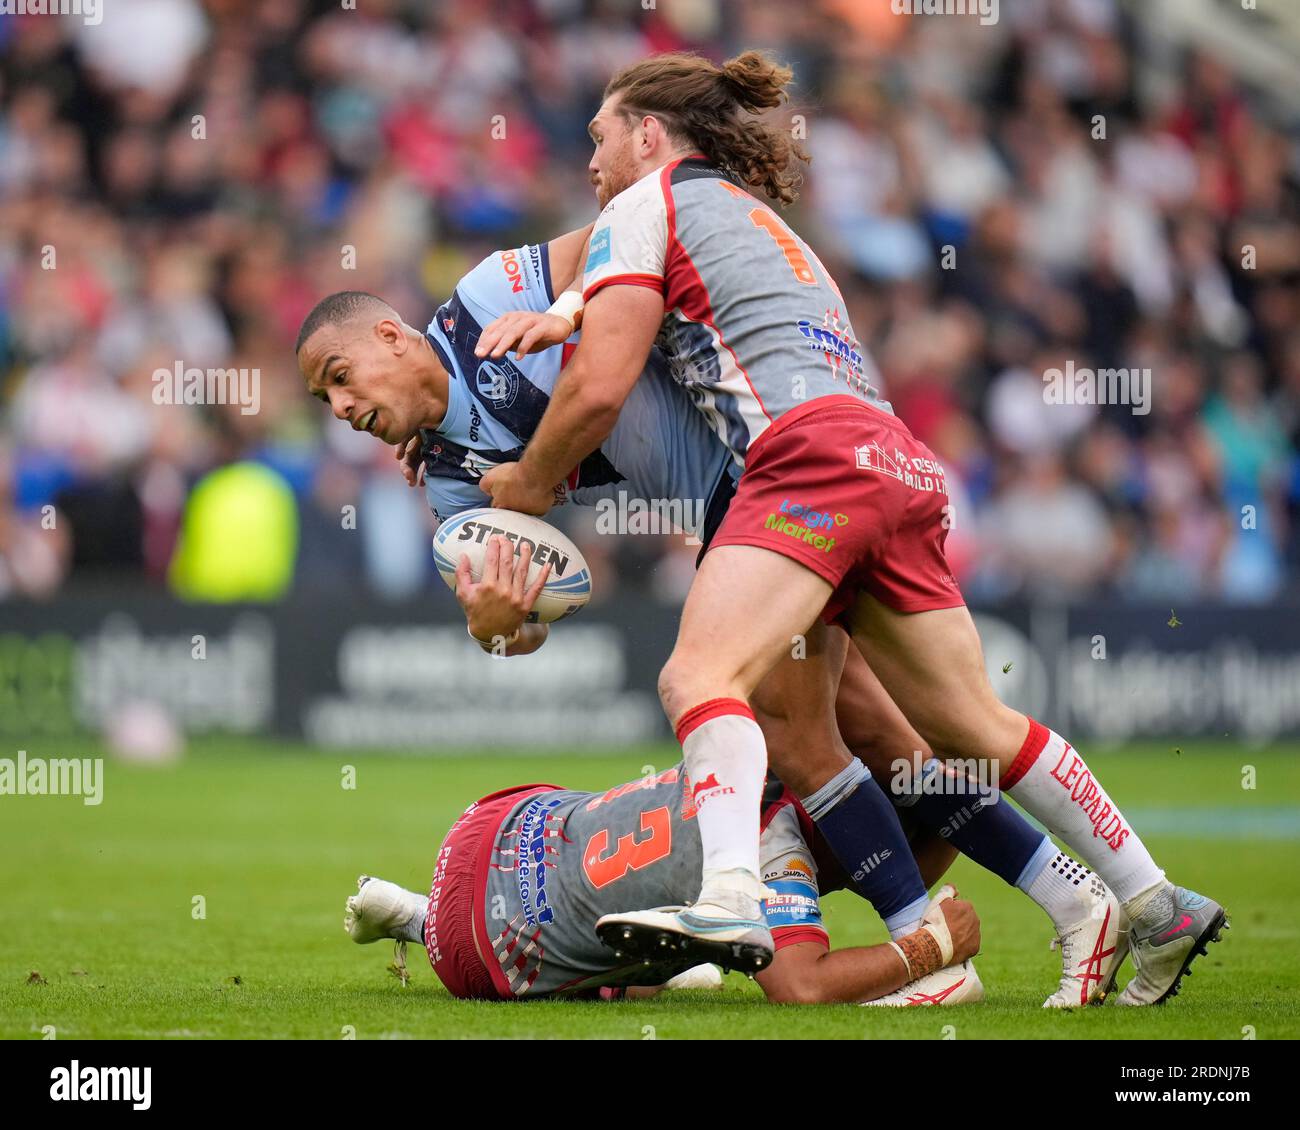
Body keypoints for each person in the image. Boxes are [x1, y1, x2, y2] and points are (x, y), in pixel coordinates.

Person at [472, 50, 1225, 1004]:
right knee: (962, 726)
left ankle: (733, 892)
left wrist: (531, 484)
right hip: (895, 460)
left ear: (650, 137)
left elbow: (600, 386)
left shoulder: (641, 205)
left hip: (804, 462)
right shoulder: (754, 217)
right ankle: (1149, 900)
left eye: (600, 137)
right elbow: (674, 300)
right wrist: (568, 306)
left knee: (699, 677)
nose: (590, 161)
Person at [296, 246, 1127, 1006]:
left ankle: (942, 939)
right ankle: (1075, 901)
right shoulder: (449, 484)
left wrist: (574, 306)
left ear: (391, 335)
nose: (338, 405)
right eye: (323, 398)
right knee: (884, 731)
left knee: (807, 736)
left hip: (769, 466)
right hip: (752, 494)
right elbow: (518, 631)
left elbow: (614, 237)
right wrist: (497, 626)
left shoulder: (483, 302)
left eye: (340, 374)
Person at [342, 757, 983, 1006]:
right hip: (477, 952)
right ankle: (414, 919)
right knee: (665, 944)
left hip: (491, 822)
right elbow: (801, 988)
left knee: (640, 909)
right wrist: (929, 947)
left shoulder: (765, 742)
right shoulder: (777, 847)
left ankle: (413, 912)